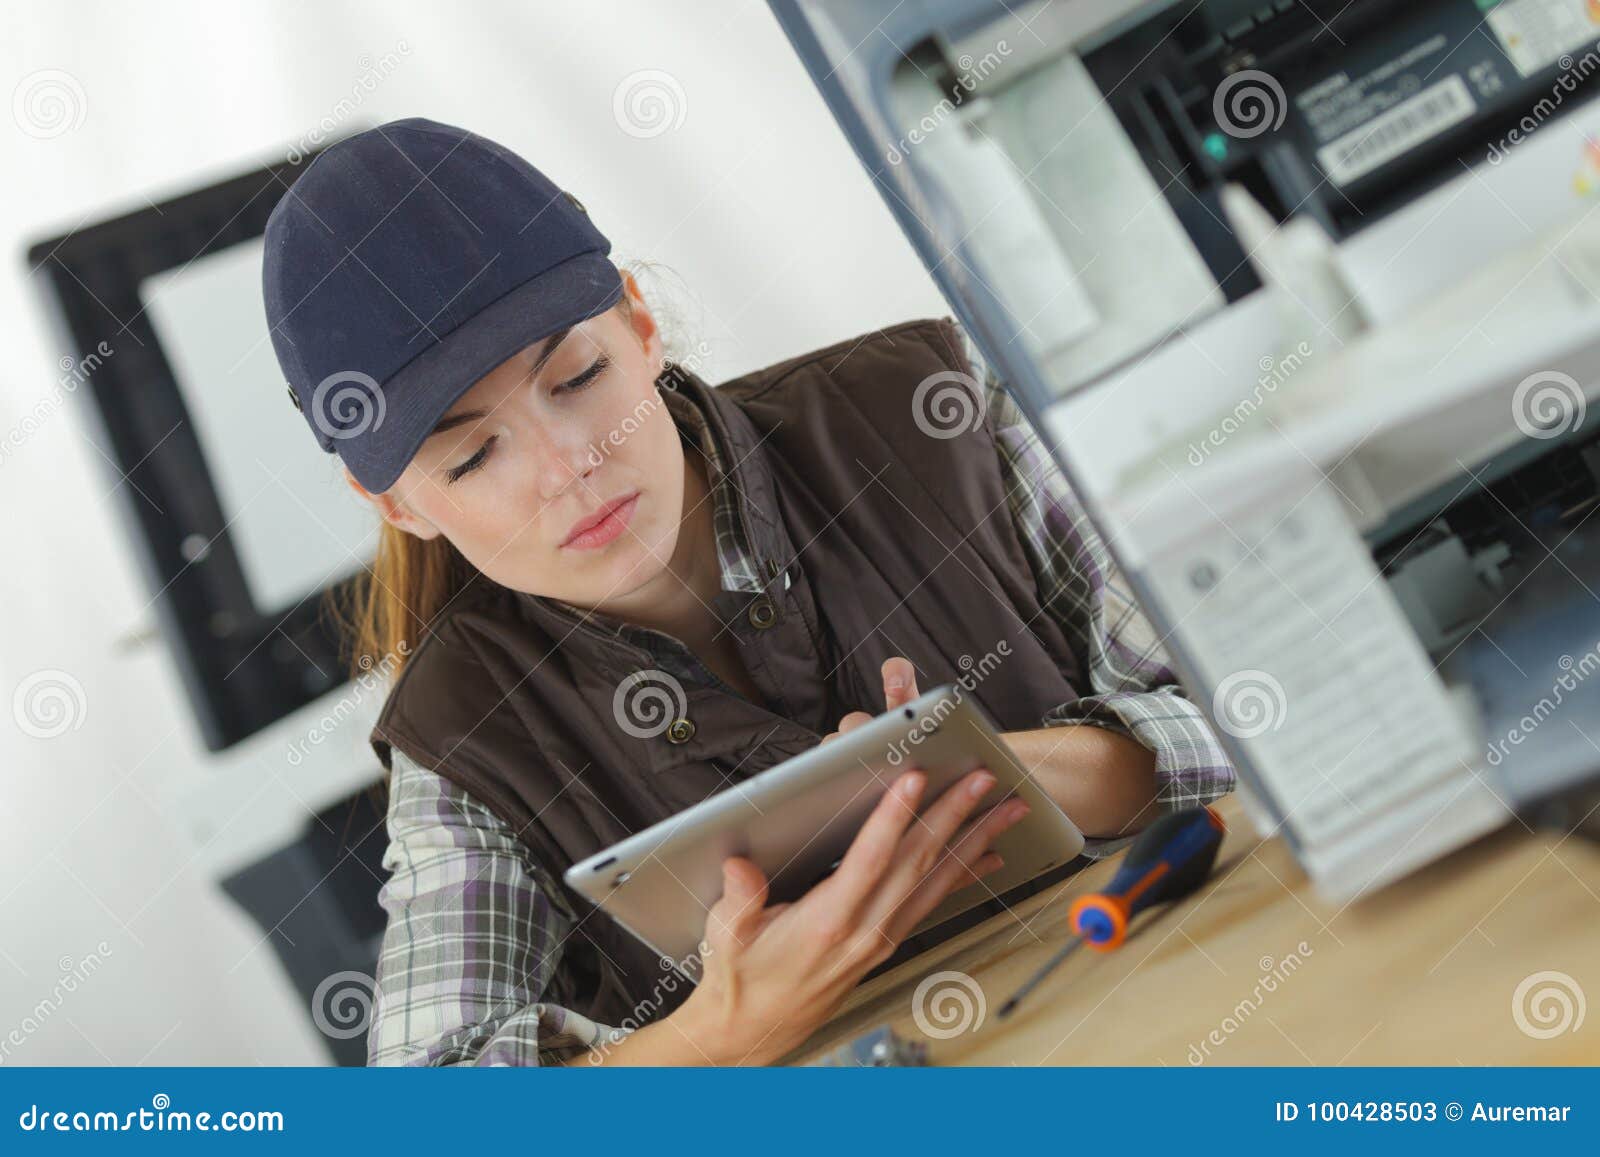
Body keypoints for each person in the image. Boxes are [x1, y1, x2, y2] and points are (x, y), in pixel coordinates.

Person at [260, 117, 1234, 1067]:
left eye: (579, 377)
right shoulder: (457, 746)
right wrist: (715, 1035)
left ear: (640, 323)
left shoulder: (936, 409)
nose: (568, 468)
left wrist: (992, 772)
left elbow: (1257, 694)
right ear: (397, 505)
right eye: (474, 456)